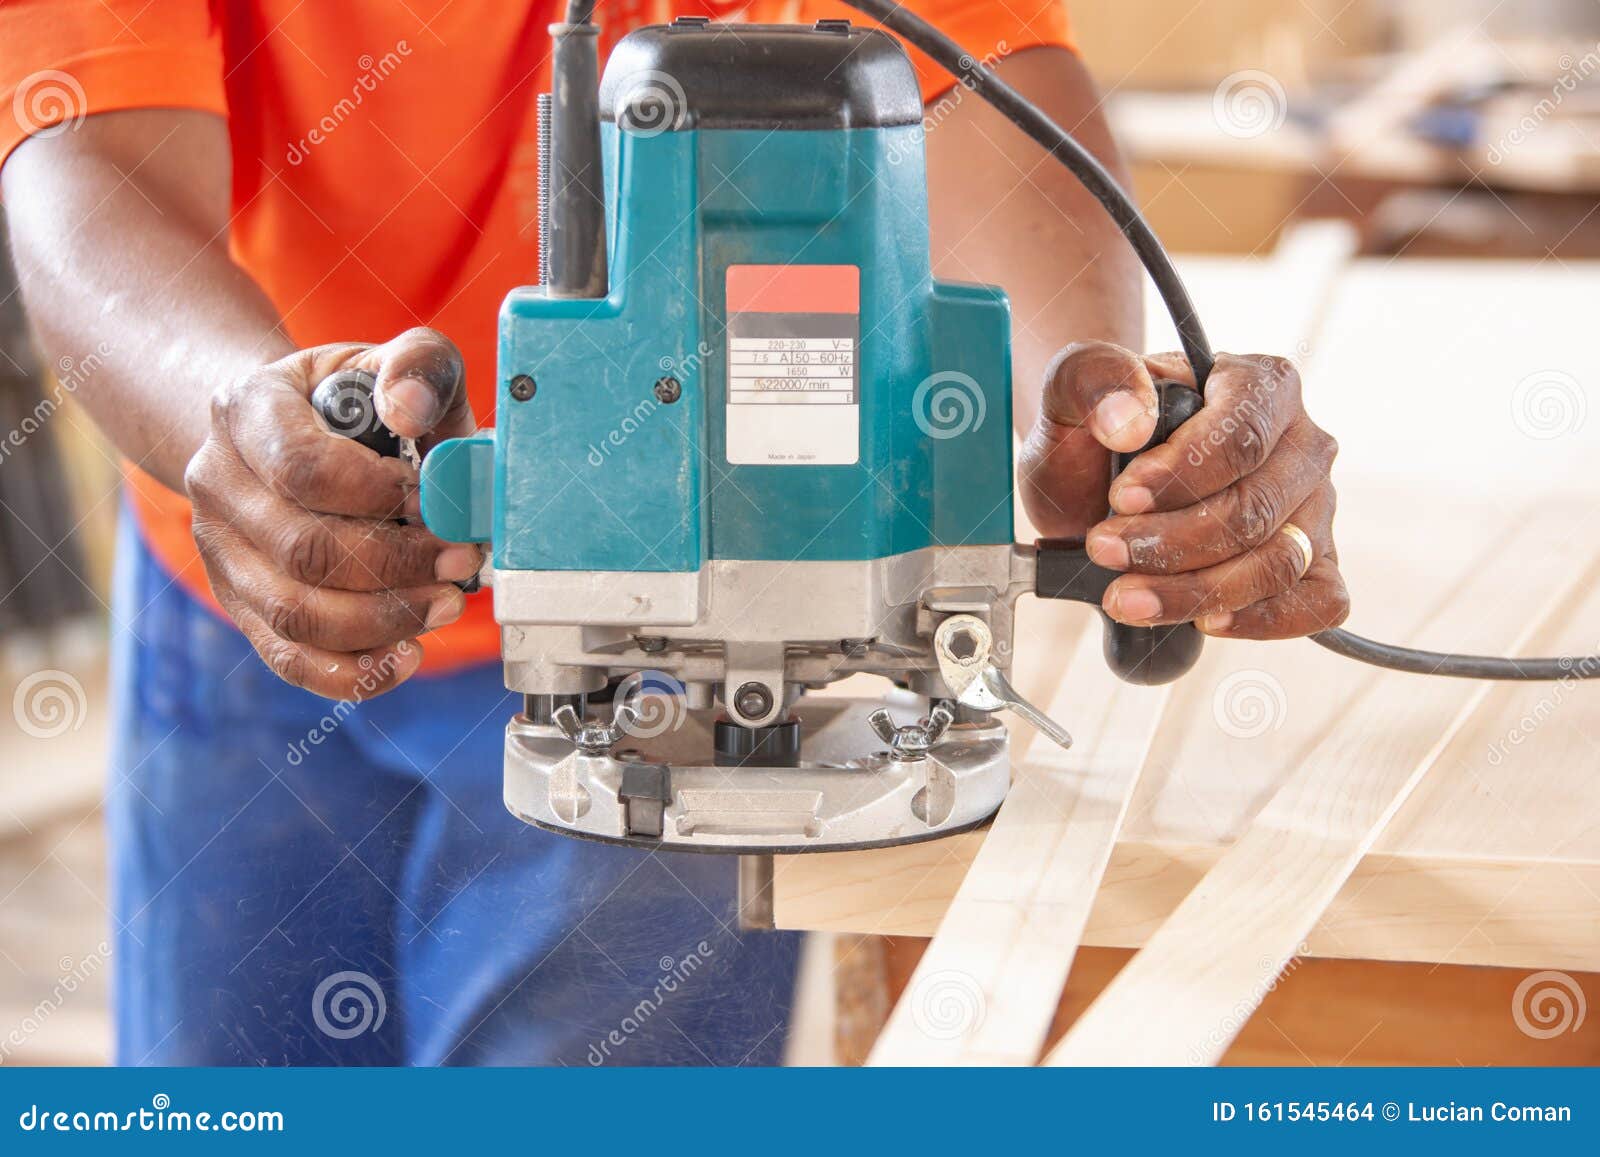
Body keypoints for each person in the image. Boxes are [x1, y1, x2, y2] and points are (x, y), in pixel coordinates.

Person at [0, 0, 1347, 1066]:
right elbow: (83, 150)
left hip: (680, 647)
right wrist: (233, 433)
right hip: (250, 563)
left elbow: (974, 80)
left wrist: (1101, 419)